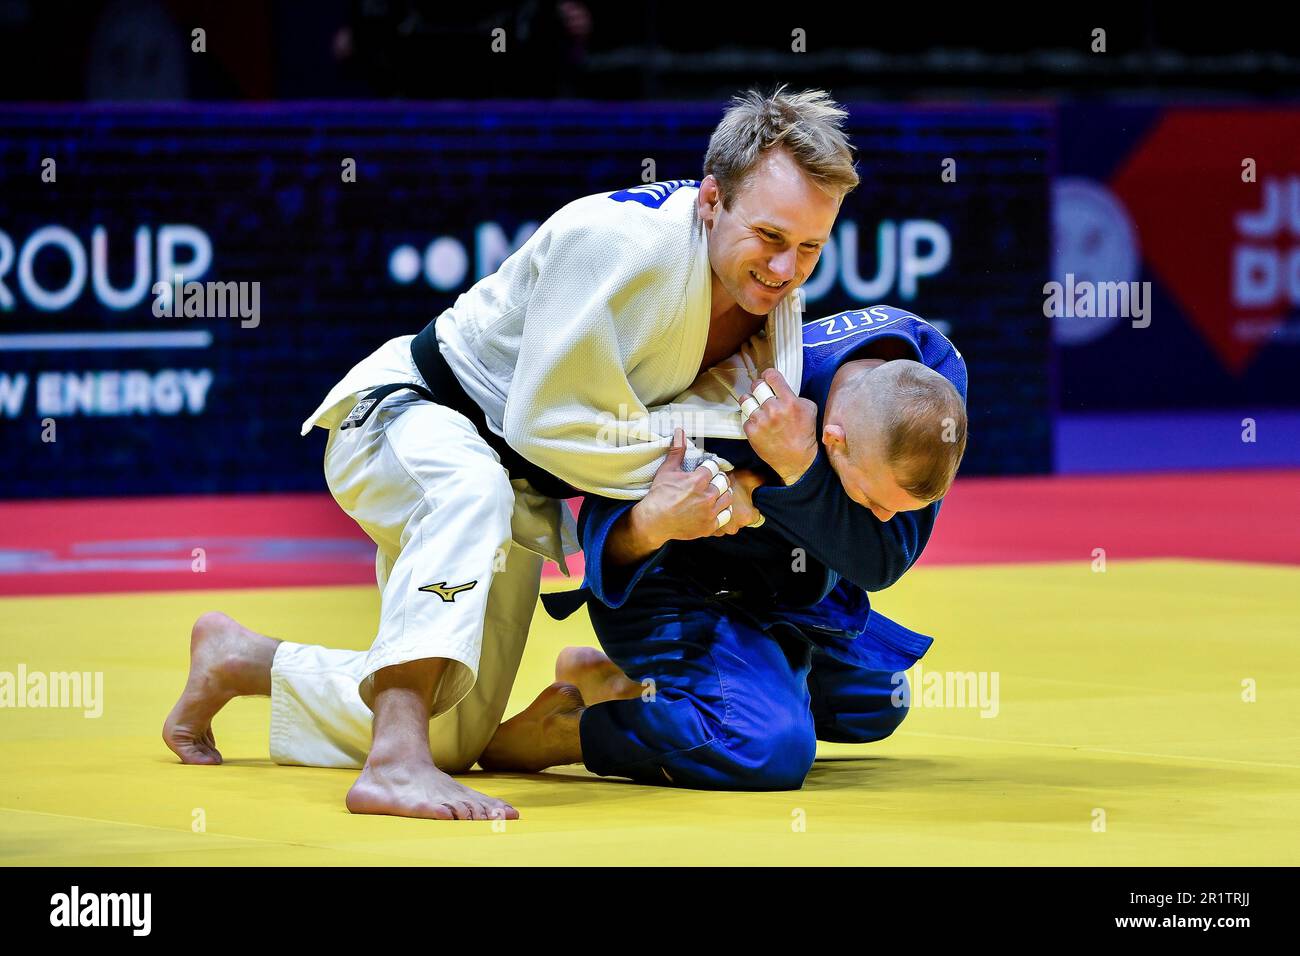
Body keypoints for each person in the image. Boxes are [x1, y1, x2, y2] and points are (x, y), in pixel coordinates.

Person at [162, 86, 858, 820]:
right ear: (712, 199)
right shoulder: (620, 244)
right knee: (473, 492)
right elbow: (541, 424)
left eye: (811, 247)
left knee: (456, 731)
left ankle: (242, 659)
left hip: (514, 486)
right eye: (772, 238)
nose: (786, 269)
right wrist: (705, 482)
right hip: (413, 416)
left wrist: (738, 478)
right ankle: (393, 766)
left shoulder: (768, 294)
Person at [480, 305, 969, 790]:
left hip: (789, 590)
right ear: (833, 440)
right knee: (766, 748)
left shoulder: (928, 379)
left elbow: (880, 559)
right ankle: (568, 731)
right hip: (673, 590)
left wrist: (789, 473)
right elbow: (605, 528)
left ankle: (643, 687)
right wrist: (657, 520)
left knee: (877, 699)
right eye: (867, 501)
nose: (883, 519)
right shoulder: (728, 387)